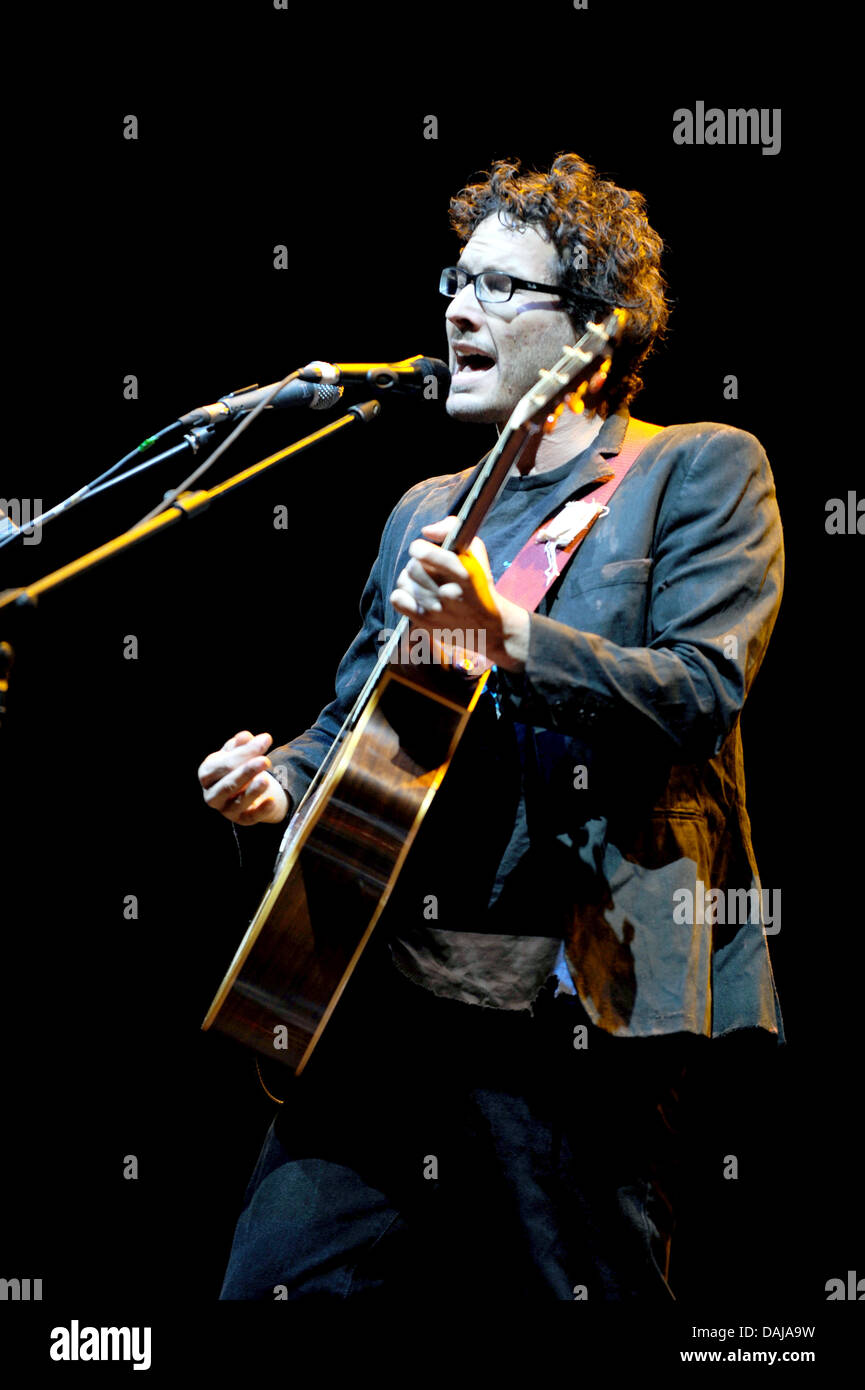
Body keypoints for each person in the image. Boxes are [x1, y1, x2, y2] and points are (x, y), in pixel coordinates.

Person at [197, 153, 784, 1302]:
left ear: (594, 335)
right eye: (456, 280)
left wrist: (505, 634)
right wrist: (279, 782)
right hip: (379, 1009)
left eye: (500, 288)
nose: (457, 308)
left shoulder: (694, 470)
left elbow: (699, 692)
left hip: (568, 1019)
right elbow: (356, 722)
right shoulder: (425, 505)